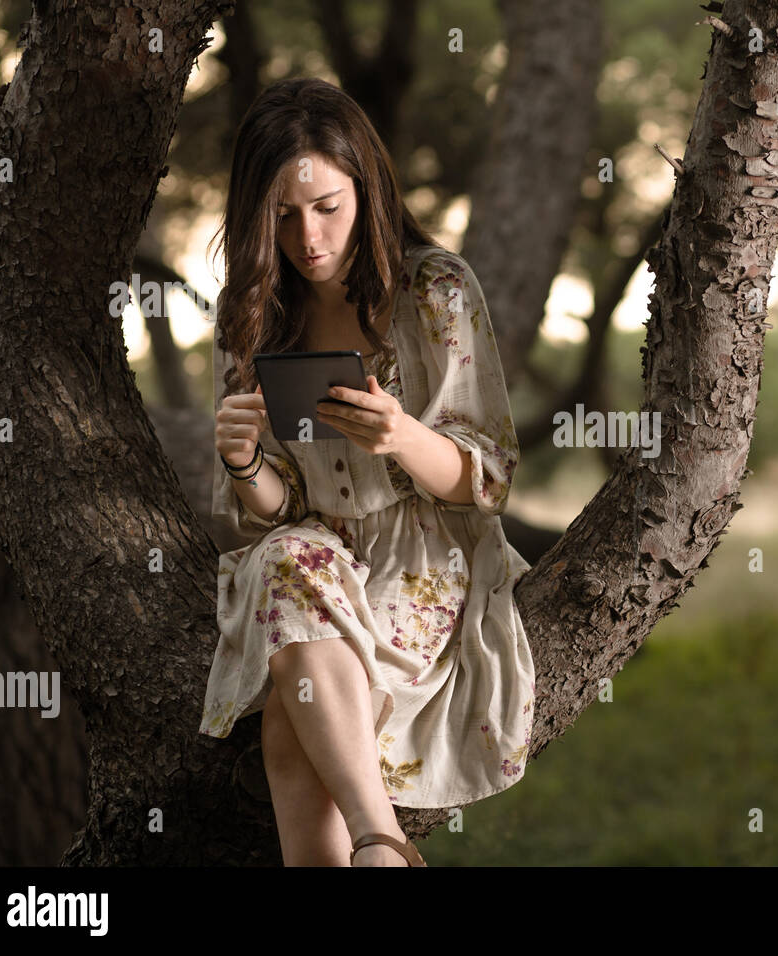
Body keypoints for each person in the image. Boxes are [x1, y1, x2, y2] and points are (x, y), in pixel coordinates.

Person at [199, 77, 536, 867]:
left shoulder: (435, 291)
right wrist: (245, 461)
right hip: (311, 563)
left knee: (293, 716)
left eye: (327, 206)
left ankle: (376, 841)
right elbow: (274, 516)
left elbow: (487, 482)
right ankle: (380, 843)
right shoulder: (250, 311)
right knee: (286, 559)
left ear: (367, 189)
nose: (308, 236)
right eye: (282, 214)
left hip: (423, 564)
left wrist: (404, 436)